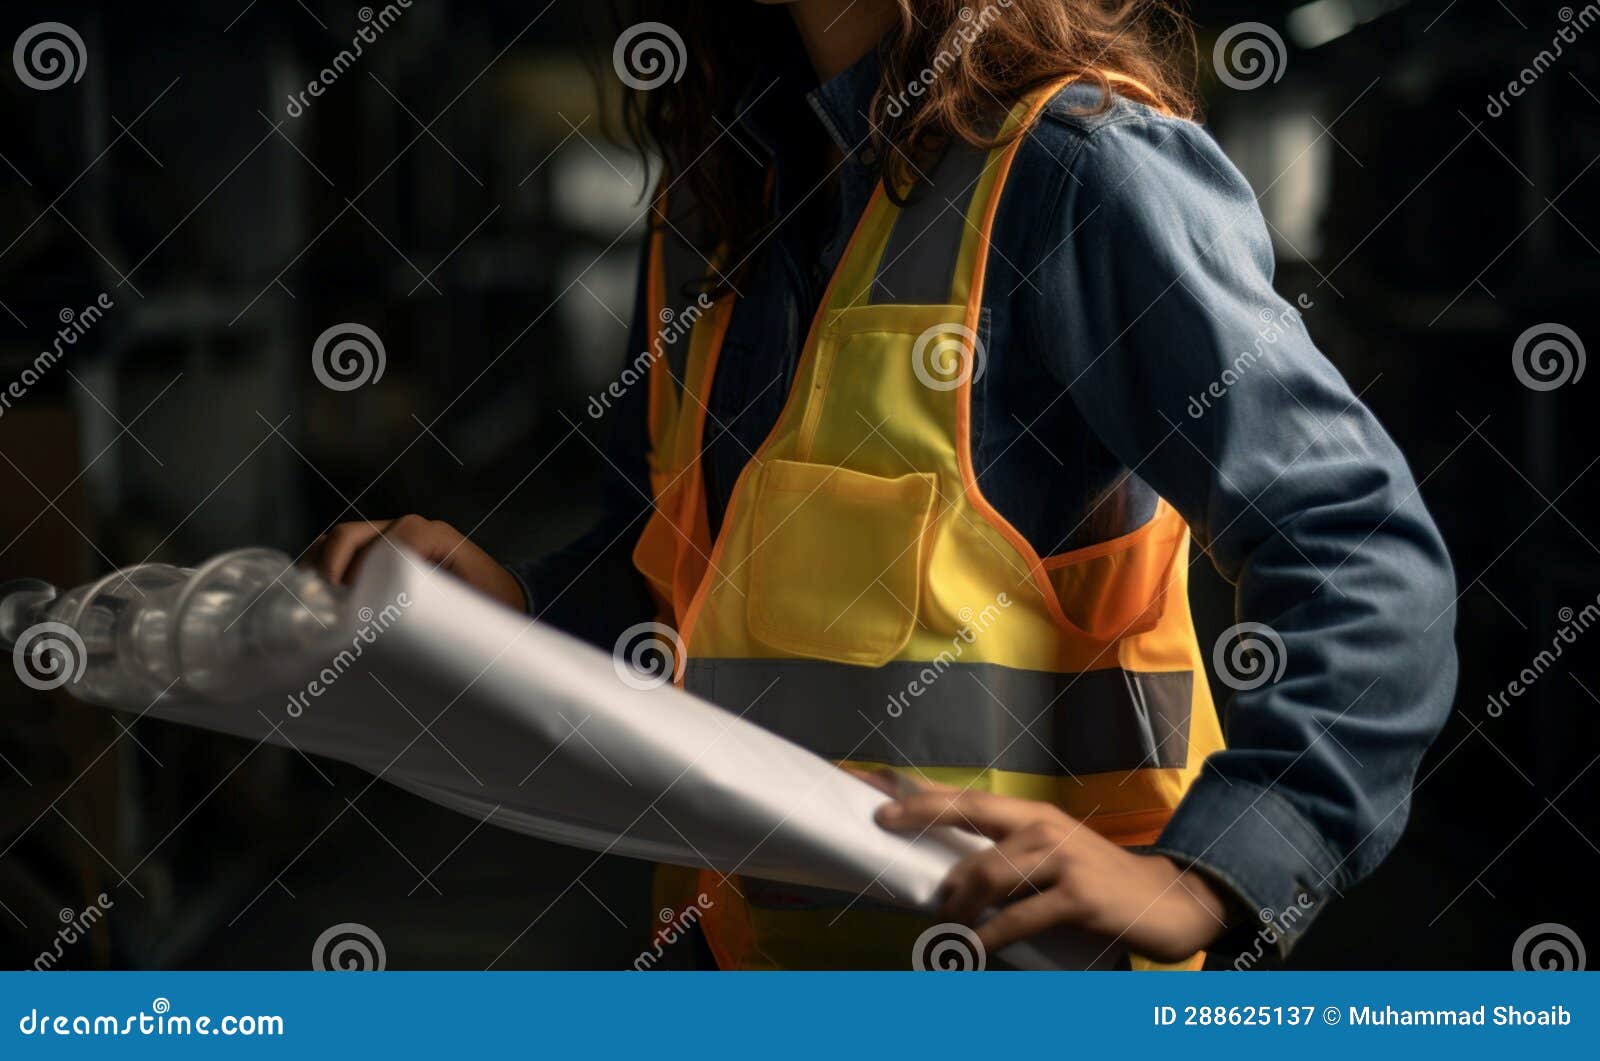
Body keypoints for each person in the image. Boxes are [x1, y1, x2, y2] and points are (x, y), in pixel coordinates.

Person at [309, 0, 1457, 969]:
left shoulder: (1071, 170)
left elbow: (1358, 545)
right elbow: (677, 578)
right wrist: (505, 612)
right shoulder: (715, 209)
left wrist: (1210, 871)